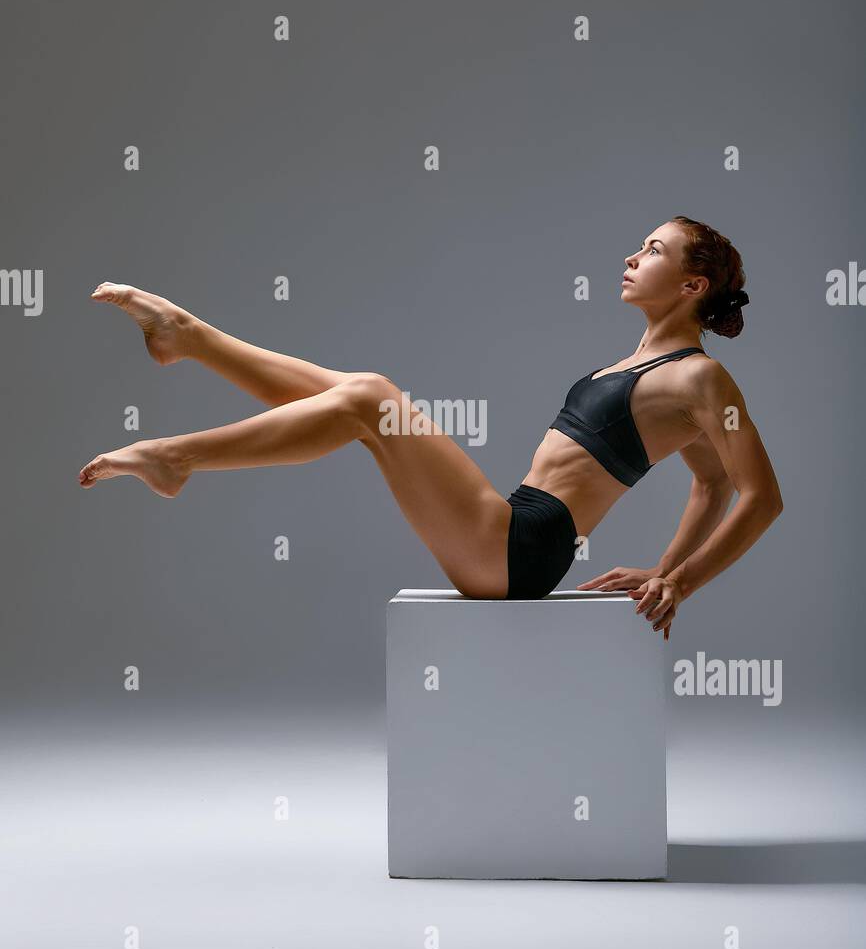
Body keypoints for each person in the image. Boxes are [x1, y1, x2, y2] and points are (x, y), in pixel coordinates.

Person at [78, 215, 783, 638]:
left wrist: (681, 581)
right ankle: (187, 336)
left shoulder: (700, 377)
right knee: (359, 394)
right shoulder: (637, 365)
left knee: (368, 400)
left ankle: (176, 456)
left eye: (654, 249)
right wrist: (663, 569)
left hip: (521, 550)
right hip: (511, 532)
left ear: (694, 287)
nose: (633, 257)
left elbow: (758, 495)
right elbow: (709, 484)